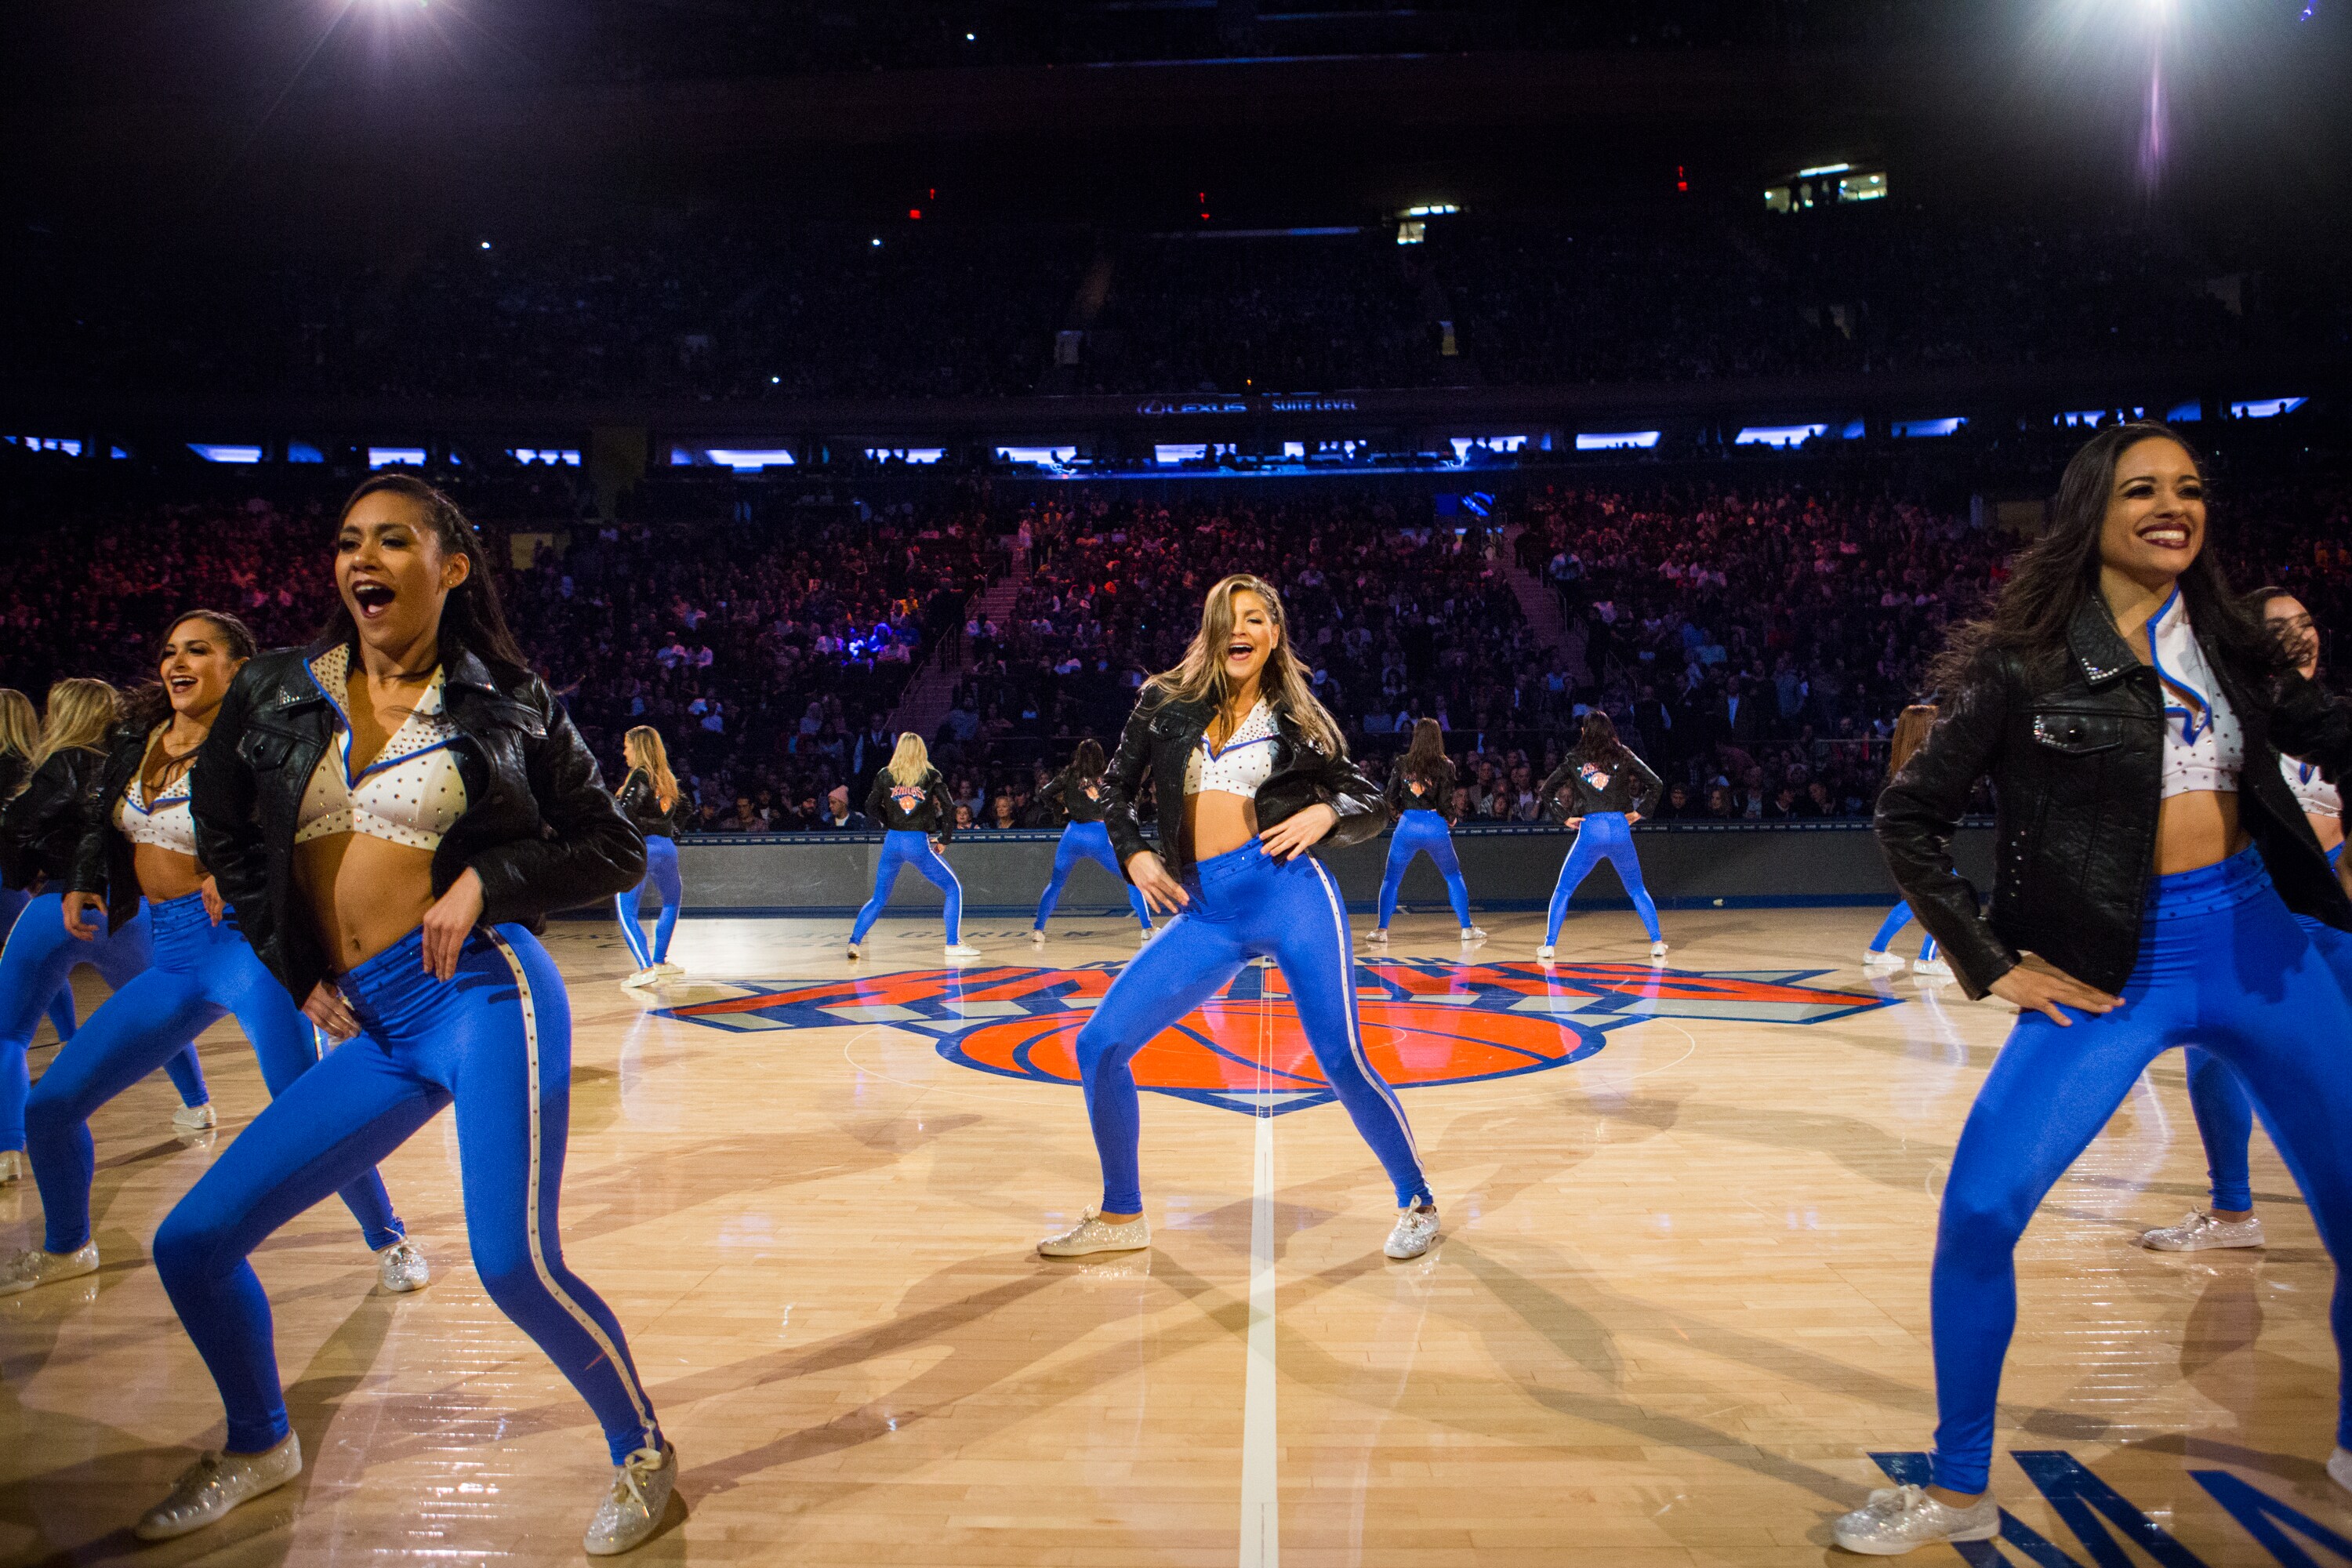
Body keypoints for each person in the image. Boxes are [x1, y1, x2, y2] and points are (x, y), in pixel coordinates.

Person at [1845, 423, 2352, 1554]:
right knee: (1980, 1213)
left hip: (2261, 948)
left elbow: (2337, 735)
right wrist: (1994, 961)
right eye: (2142, 490)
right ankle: (1959, 1488)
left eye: (2190, 488)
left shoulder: (2232, 644)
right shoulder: (2022, 663)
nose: (2174, 506)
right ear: (2091, 511)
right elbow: (1909, 816)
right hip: (2110, 972)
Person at [161, 475, 671, 1552]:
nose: (364, 558)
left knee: (510, 1263)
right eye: (350, 540)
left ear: (451, 568)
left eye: (394, 540)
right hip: (375, 1024)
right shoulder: (277, 689)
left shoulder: (511, 699)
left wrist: (489, 879)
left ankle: (641, 1450)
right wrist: (291, 961)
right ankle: (260, 1441)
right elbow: (223, 825)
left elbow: (614, 845)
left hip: (484, 994)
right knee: (192, 1241)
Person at [2, 612, 427, 1298]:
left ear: (238, 669)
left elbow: (314, 825)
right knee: (50, 1106)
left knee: (304, 1105)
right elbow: (100, 820)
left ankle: (390, 1239)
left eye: (198, 651)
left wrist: (238, 867)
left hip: (244, 949)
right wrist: (84, 878)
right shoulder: (140, 738)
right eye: (170, 650)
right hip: (171, 955)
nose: (177, 662)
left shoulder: (264, 744)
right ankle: (67, 1247)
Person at [1037, 574, 1439, 1264]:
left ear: (1274, 634)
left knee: (1341, 1057)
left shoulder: (1299, 720)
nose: (1240, 630)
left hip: (1290, 895)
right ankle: (1121, 1214)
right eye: (1227, 618)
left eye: (1255, 618)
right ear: (1210, 631)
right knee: (1099, 1044)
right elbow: (1116, 792)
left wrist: (1327, 811)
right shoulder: (1164, 702)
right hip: (1206, 910)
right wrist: (1133, 853)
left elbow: (1370, 798)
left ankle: (1418, 1201)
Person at [2137, 588, 2352, 1254]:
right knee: (2212, 1059)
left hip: (2332, 925)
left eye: (2308, 622)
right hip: (2253, 918)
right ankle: (2233, 1214)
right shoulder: (2232, 723)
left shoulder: (2336, 724)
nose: (2300, 636)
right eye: (2280, 627)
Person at [1, 679, 211, 1186]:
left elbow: (15, 833)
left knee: (9, 1034)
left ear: (65, 715)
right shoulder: (135, 766)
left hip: (57, 902)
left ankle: (8, 1148)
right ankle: (198, 1105)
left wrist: (22, 874)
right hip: (124, 909)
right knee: (162, 1017)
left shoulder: (60, 764)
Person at [1535, 713, 1667, 962]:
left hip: (1591, 830)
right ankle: (1657, 942)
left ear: (1584, 731)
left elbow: (1546, 790)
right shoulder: (1624, 754)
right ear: (1610, 731)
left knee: (1563, 889)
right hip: (1619, 828)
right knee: (1637, 889)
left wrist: (1564, 817)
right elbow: (1656, 783)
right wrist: (1640, 812)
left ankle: (1549, 945)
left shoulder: (1575, 758)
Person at [851, 733, 978, 962]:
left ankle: (854, 942)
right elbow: (949, 807)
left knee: (879, 898)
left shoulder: (885, 774)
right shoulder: (930, 775)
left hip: (892, 841)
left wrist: (890, 822)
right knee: (953, 888)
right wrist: (945, 839)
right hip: (916, 842)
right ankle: (952, 943)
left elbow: (870, 805)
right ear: (922, 750)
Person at [0, 688, 77, 1065]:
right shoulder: (35, 763)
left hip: (7, 875)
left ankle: (63, 1039)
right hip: (15, 876)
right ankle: (68, 1038)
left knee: (36, 961)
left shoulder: (14, 766)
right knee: (41, 962)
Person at [1368, 718, 1483, 948]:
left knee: (1391, 879)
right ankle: (1467, 928)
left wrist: (1398, 813)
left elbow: (1389, 795)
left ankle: (1381, 930)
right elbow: (1445, 801)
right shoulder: (1446, 765)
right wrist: (1452, 818)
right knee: (1453, 876)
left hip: (1408, 825)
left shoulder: (1402, 762)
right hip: (1434, 826)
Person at [1030, 737, 1154, 946]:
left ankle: (1038, 930)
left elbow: (1044, 793)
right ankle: (1147, 928)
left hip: (1073, 834)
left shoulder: (1069, 774)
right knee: (1131, 878)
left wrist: (1060, 810)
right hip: (1100, 835)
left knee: (1056, 883)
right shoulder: (1108, 775)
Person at [1860, 704, 1951, 978]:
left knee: (1915, 897)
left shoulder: (1903, 763)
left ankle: (1876, 950)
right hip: (1918, 837)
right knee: (1947, 894)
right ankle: (1927, 959)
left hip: (1902, 837)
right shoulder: (1926, 763)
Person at [614, 727, 686, 989]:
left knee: (626, 912)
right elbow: (686, 809)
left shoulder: (640, 776)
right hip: (666, 849)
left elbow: (625, 813)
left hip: (642, 849)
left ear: (639, 748)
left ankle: (646, 968)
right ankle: (660, 961)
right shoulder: (667, 778)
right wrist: (667, 829)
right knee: (671, 901)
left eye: (627, 746)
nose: (624, 753)